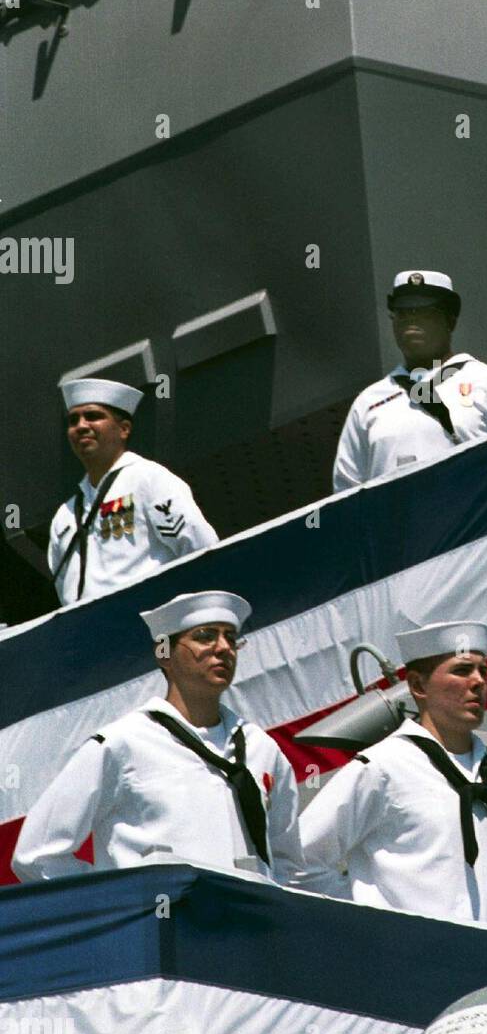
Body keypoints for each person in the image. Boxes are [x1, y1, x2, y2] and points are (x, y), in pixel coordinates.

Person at [12, 591, 304, 885]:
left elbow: (288, 866)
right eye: (206, 636)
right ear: (164, 652)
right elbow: (36, 856)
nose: (223, 648)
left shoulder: (261, 748)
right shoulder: (123, 743)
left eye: (230, 637)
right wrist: (124, 901)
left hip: (251, 924)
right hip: (166, 924)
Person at [299, 620, 487, 926]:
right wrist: (371, 920)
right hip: (408, 962)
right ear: (418, 686)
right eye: (462, 670)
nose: (478, 682)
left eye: (482, 671)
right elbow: (301, 861)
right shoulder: (383, 768)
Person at [333, 271, 487, 491]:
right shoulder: (368, 403)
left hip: (477, 523)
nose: (412, 320)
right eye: (403, 313)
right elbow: (347, 495)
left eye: (424, 312)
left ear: (450, 321)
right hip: (397, 524)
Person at [48, 377, 219, 606]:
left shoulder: (148, 479)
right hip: (90, 634)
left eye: (93, 416)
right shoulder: (65, 515)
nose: (81, 426)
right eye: (73, 420)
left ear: (124, 429)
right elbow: (64, 588)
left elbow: (200, 548)